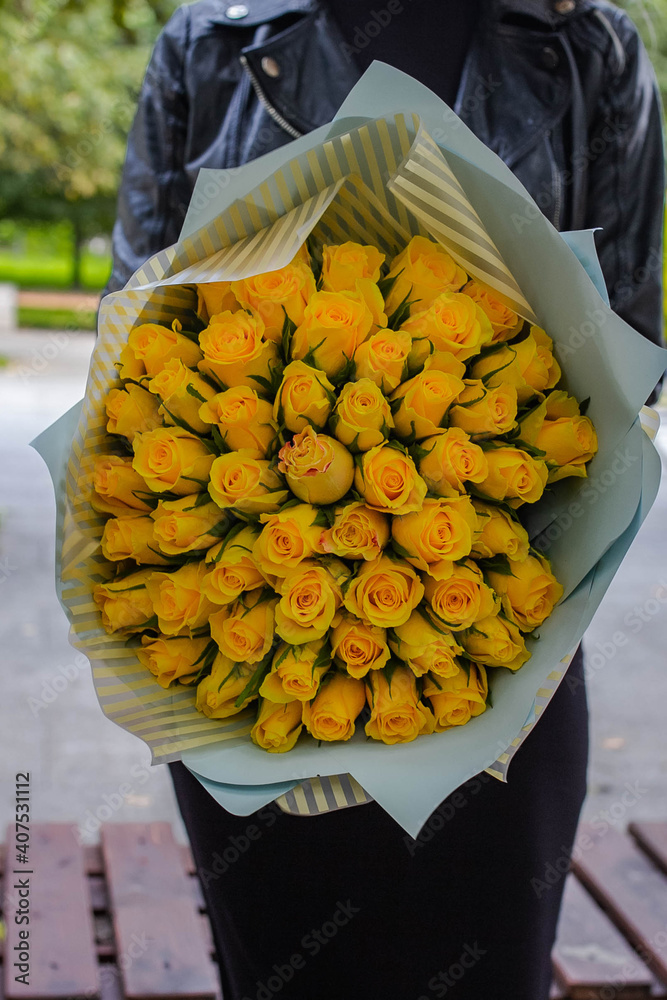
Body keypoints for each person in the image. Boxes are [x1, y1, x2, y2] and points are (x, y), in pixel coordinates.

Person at [106, 2, 665, 997]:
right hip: (253, 646)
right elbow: (133, 343)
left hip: (503, 656)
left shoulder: (586, 49)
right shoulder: (211, 44)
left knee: (489, 969)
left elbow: (623, 351)